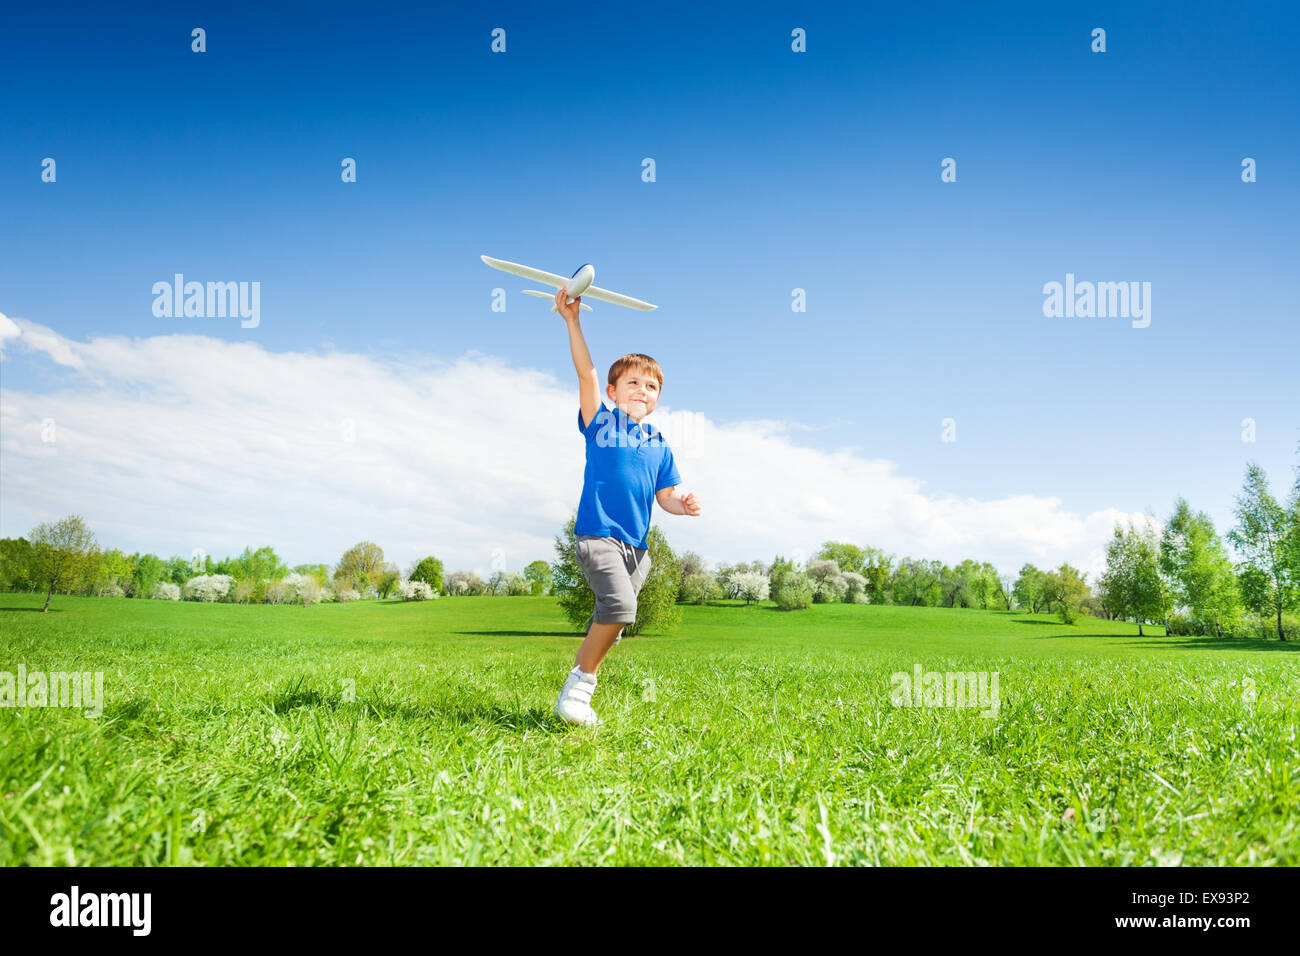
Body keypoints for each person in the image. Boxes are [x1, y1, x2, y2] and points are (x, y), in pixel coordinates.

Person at [552, 286, 702, 726]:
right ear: (614, 392)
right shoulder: (600, 422)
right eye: (632, 383)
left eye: (651, 385)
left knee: (614, 623)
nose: (643, 389)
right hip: (598, 535)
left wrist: (684, 503)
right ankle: (577, 692)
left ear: (658, 397)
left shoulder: (659, 445)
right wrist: (572, 320)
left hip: (637, 548)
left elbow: (666, 497)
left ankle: (580, 678)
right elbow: (586, 375)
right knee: (620, 609)